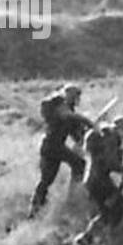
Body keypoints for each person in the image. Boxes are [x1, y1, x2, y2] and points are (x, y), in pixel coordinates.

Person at [29, 83, 93, 216]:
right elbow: (67, 116)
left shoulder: (70, 112)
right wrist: (88, 121)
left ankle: (36, 208)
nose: (77, 99)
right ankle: (73, 197)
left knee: (47, 179)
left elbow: (77, 135)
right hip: (52, 146)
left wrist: (89, 134)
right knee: (78, 164)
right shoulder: (59, 104)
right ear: (70, 95)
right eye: (76, 96)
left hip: (53, 147)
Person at [73, 115, 123, 245]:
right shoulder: (111, 138)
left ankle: (87, 237)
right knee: (119, 206)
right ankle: (108, 240)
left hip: (92, 179)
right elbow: (111, 162)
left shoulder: (104, 135)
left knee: (106, 211)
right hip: (99, 180)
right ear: (122, 128)